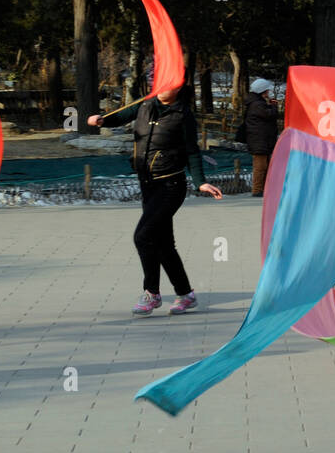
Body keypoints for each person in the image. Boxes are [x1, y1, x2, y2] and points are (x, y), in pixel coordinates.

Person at [88, 84, 223, 316]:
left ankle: (152, 293)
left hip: (171, 184)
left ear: (178, 88)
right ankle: (185, 294)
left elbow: (192, 151)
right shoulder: (145, 104)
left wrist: (200, 181)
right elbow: (121, 116)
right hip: (148, 183)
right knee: (163, 243)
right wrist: (102, 121)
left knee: (143, 236)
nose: (162, 88)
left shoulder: (182, 114)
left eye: (168, 84)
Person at [244, 78, 279, 196]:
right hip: (259, 140)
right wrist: (274, 106)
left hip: (261, 139)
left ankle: (263, 188)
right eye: (267, 90)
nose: (268, 92)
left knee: (265, 165)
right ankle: (257, 189)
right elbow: (270, 115)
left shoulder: (257, 103)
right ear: (262, 91)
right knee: (260, 166)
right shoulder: (257, 104)